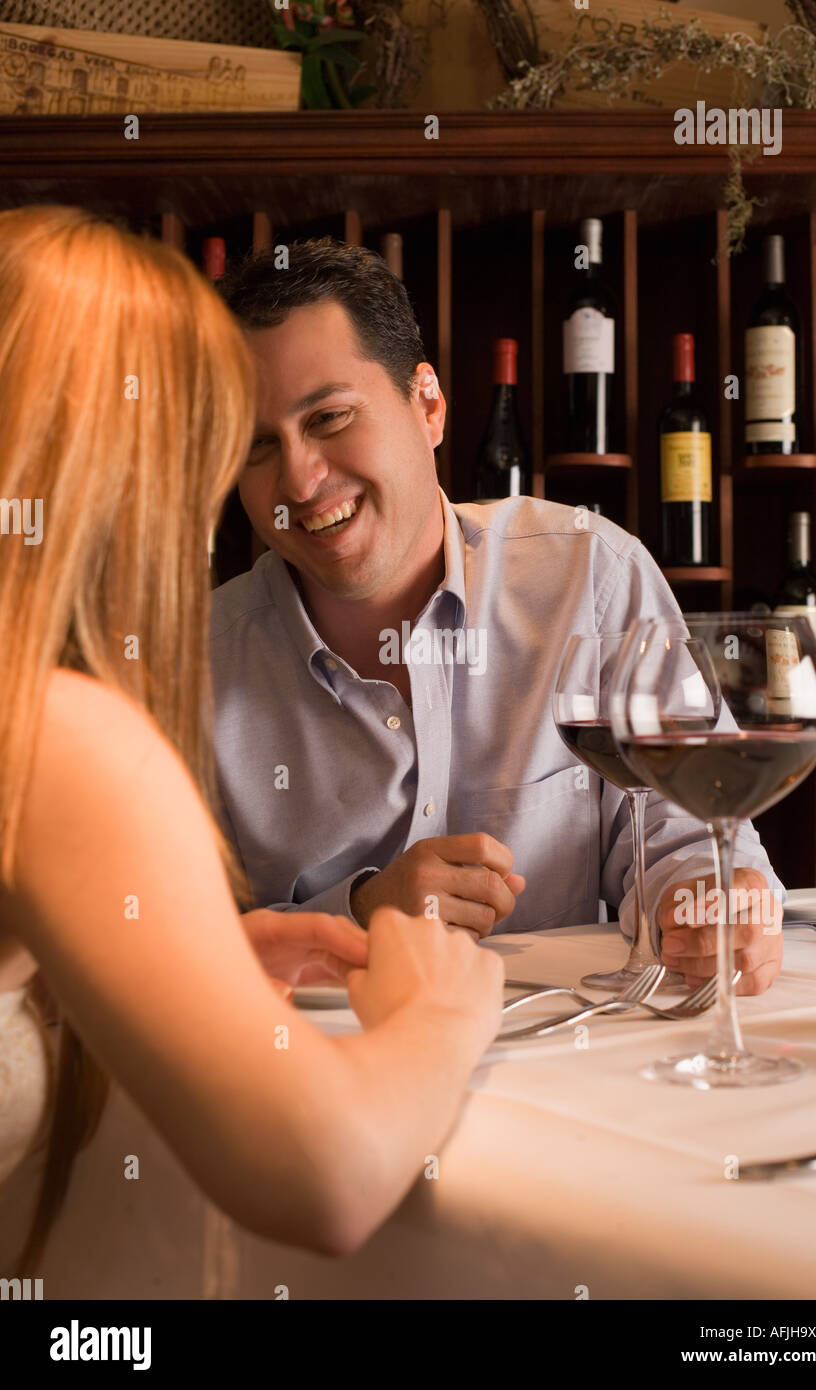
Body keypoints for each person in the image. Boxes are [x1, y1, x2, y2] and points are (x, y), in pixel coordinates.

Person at [0, 205, 504, 1280]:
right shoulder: (59, 729)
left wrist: (197, 960)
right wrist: (438, 1016)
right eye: (220, 437)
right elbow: (327, 1176)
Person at [211, 238, 785, 996]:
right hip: (312, 1082)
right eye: (257, 447)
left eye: (328, 419)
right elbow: (158, 949)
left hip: (578, 1075)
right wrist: (360, 917)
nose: (299, 479)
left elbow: (689, 830)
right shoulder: (196, 658)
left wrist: (702, 900)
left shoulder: (592, 577)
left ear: (429, 406)